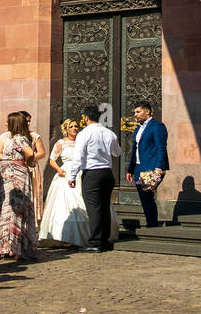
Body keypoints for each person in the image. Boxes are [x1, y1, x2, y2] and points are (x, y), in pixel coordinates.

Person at [67, 102, 121, 252]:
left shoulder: (84, 134)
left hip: (92, 173)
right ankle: (104, 240)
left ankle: (95, 242)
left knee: (94, 208)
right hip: (107, 173)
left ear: (85, 118)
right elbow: (117, 152)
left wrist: (72, 176)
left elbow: (78, 157)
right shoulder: (109, 133)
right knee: (104, 207)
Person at [0, 112, 38, 260]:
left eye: (8, 122)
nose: (5, 124)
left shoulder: (20, 139)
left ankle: (15, 247)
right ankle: (6, 245)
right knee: (5, 210)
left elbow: (30, 154)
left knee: (14, 211)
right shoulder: (11, 138)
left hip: (16, 178)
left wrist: (27, 163)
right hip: (8, 177)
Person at [39, 118, 91, 247]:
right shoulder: (61, 143)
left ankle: (83, 235)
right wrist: (58, 169)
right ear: (66, 129)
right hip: (66, 173)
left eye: (76, 126)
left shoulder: (81, 141)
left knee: (81, 199)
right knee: (65, 203)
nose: (75, 128)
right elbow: (52, 159)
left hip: (80, 171)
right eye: (72, 126)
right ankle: (63, 235)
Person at [125, 100, 169, 228]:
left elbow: (161, 148)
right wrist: (130, 170)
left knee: (148, 195)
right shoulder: (138, 128)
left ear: (147, 111)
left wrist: (159, 168)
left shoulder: (157, 126)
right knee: (144, 197)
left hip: (152, 167)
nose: (135, 115)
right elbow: (135, 150)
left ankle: (152, 223)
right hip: (139, 167)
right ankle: (151, 222)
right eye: (135, 112)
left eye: (138, 112)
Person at [21, 110, 47, 225]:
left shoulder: (34, 136)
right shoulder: (10, 136)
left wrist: (29, 159)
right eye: (25, 121)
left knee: (33, 193)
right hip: (17, 168)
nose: (27, 124)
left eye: (29, 121)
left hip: (31, 167)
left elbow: (42, 153)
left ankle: (33, 220)